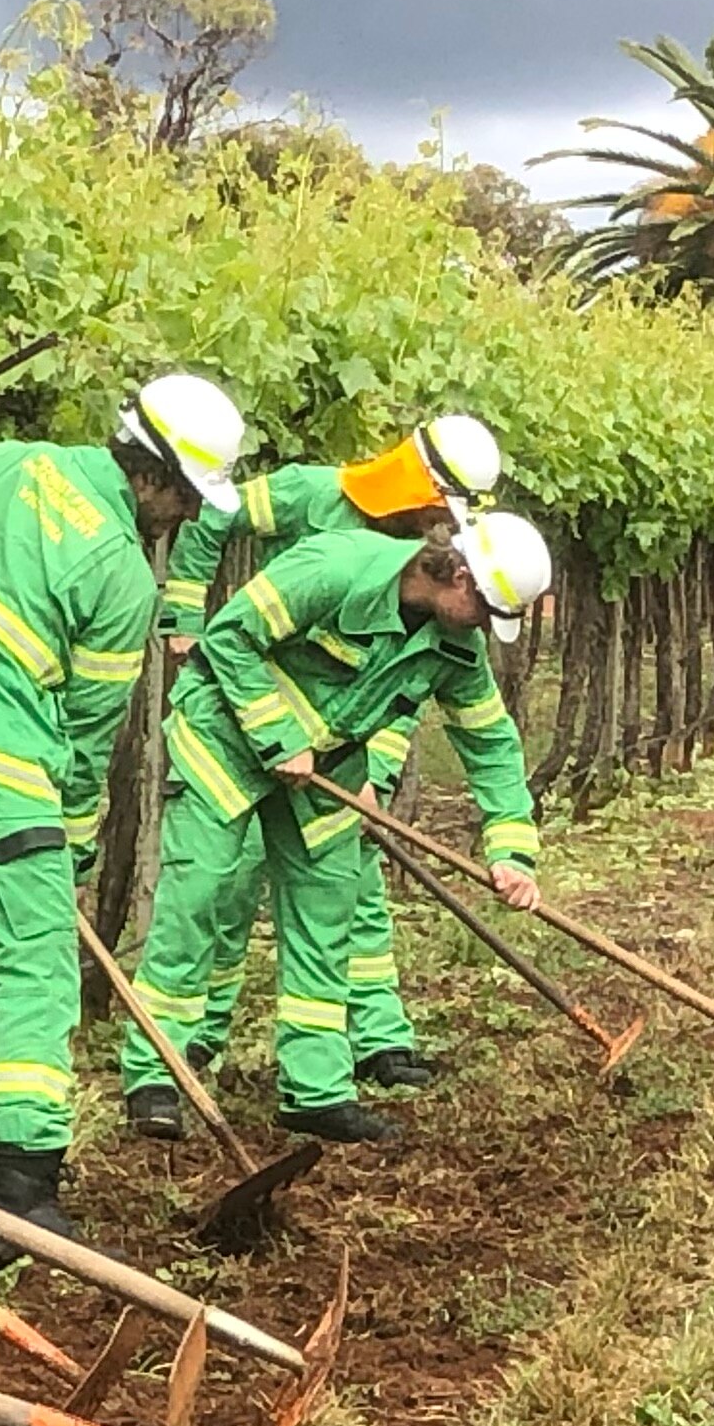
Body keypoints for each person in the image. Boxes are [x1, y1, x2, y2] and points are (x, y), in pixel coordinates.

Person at [0, 372, 242, 1255]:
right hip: (3, 783)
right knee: (33, 975)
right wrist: (71, 842)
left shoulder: (5, 463)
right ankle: (22, 1186)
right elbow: (90, 730)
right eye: (183, 497)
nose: (180, 517)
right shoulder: (120, 572)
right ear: (156, 476)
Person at [117, 512, 553, 1145]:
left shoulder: (456, 648)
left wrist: (511, 848)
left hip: (327, 768)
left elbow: (489, 742)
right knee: (197, 901)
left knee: (327, 910)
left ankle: (316, 1090)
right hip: (225, 745)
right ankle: (156, 1075)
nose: (488, 627)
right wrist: (276, 733)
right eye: (487, 609)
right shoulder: (334, 567)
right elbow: (230, 638)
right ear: (458, 574)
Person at [155, 414, 507, 1093]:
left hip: (356, 726)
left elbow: (418, 681)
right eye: (442, 506)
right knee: (222, 885)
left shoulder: (440, 572)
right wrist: (185, 613)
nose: (445, 521)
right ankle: (195, 1043)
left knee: (346, 883)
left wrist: (375, 768)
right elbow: (215, 514)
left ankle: (376, 1040)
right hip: (262, 714)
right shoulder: (310, 495)